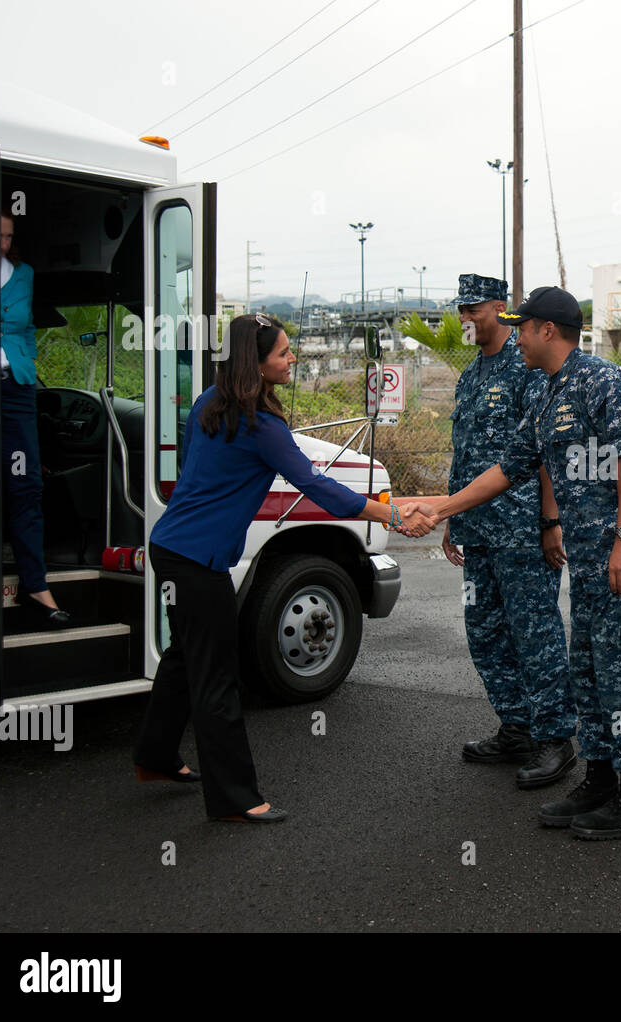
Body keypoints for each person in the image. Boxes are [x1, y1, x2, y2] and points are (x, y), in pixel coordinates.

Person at [403, 287, 621, 839]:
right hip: (590, 557)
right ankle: (600, 779)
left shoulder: (602, 379)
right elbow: (509, 467)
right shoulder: (546, 393)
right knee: (589, 669)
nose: (516, 336)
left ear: (547, 330)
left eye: (522, 327)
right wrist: (442, 507)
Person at [133, 313, 413, 822]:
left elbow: (195, 472)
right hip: (197, 560)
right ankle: (235, 800)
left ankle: (154, 759)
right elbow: (316, 484)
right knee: (217, 676)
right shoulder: (261, 426)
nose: (292, 360)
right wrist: (387, 511)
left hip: (172, 549)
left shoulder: (207, 405)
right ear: (256, 364)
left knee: (183, 655)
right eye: (283, 353)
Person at [445, 273, 576, 789]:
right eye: (462, 310)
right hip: (477, 530)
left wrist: (550, 522)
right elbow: (464, 450)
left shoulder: (527, 370)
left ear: (499, 308)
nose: (466, 319)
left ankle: (555, 740)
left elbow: (542, 454)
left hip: (521, 530)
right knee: (485, 634)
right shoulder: (471, 374)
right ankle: (517, 726)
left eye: (473, 309)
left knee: (535, 634)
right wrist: (454, 517)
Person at [0, 210, 68, 627]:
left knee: (26, 485)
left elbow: (25, 330)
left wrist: (26, 360)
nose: (3, 244)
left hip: (17, 387)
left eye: (9, 237)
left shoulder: (23, 273)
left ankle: (34, 584)